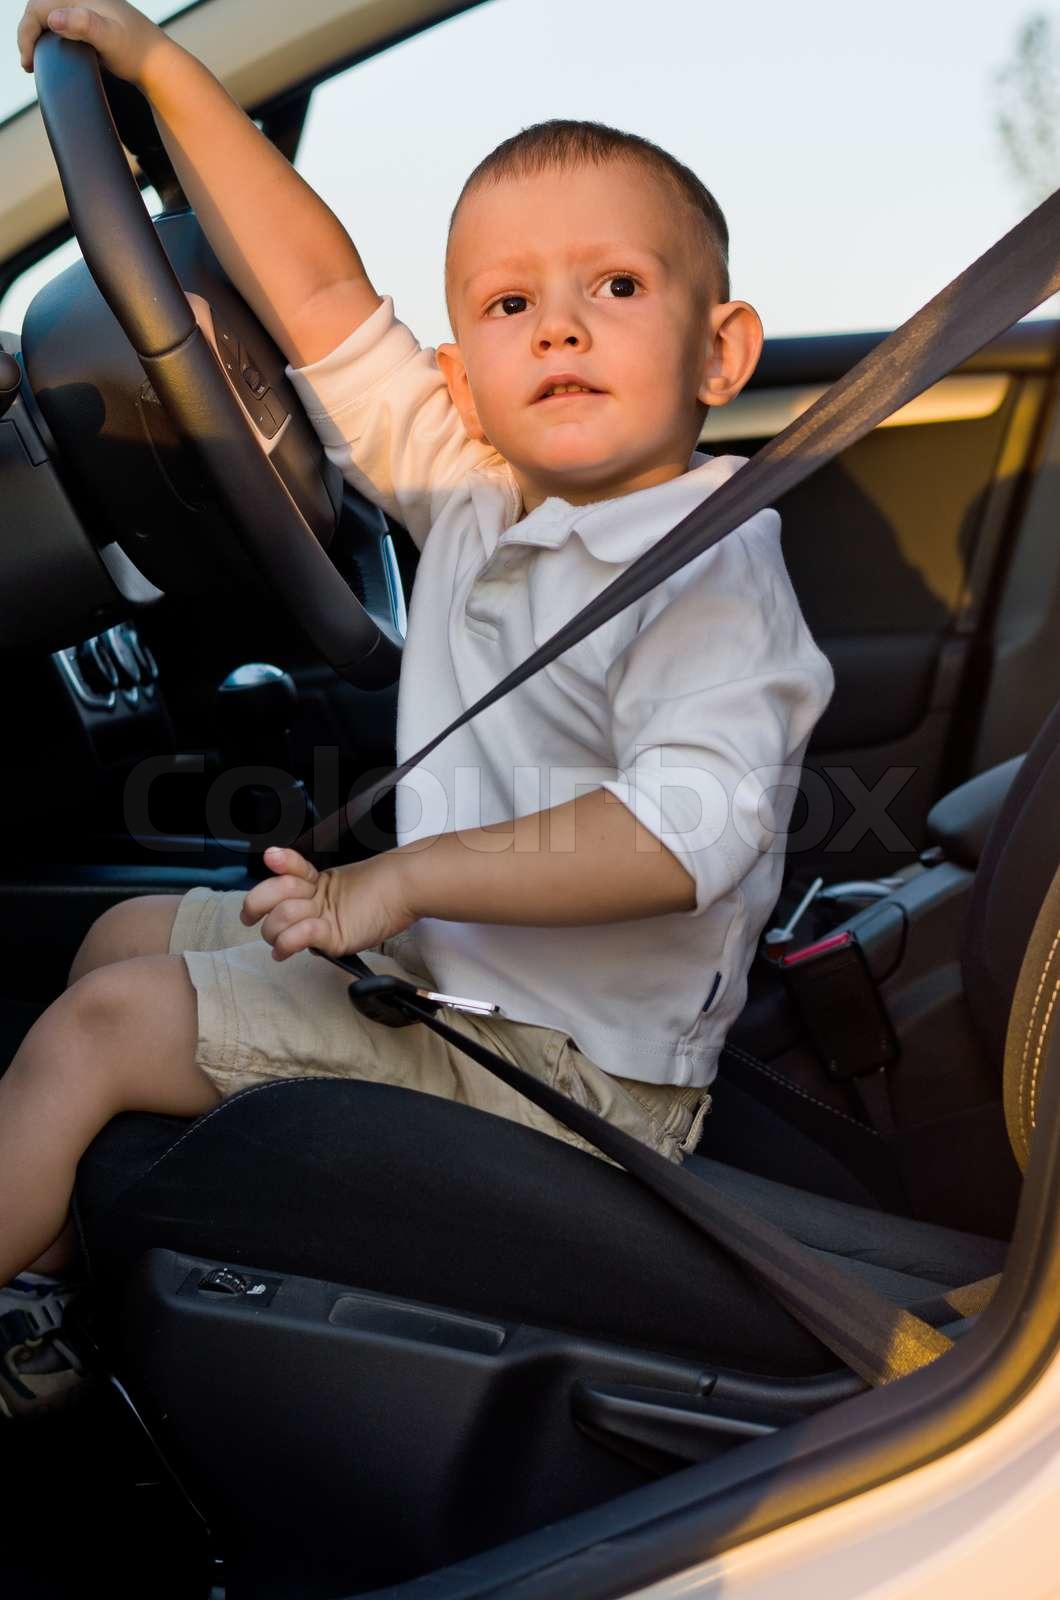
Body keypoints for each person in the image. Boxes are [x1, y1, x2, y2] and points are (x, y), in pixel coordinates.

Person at [1, 0, 834, 1413]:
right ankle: (62, 1296)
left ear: (724, 352)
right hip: (465, 975)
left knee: (95, 1033)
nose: (559, 323)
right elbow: (318, 295)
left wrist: (396, 883)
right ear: (461, 373)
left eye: (617, 287)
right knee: (118, 933)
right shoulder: (462, 481)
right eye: (509, 305)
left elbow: (677, 839)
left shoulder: (710, 576)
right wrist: (159, 67)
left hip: (572, 1073)